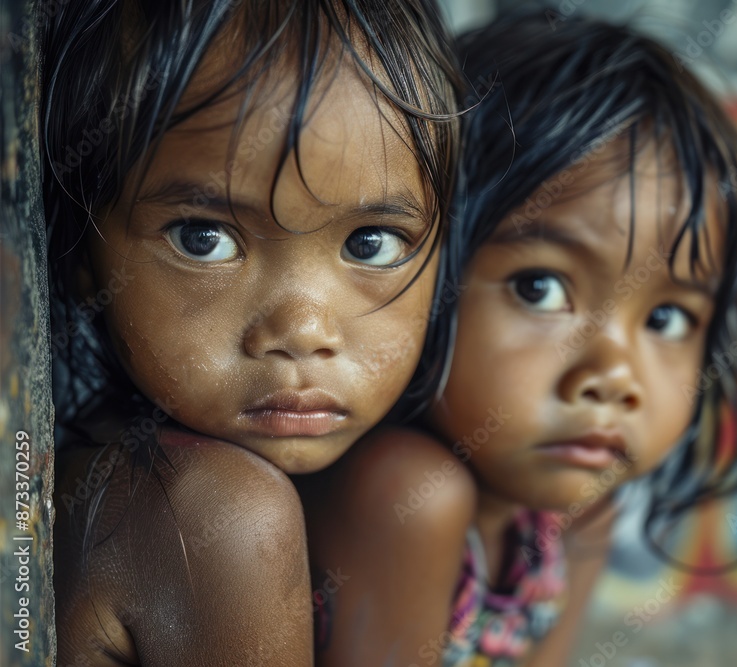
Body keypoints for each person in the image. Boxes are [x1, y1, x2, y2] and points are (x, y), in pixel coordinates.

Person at [300, 12, 737, 667]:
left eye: (667, 319)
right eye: (540, 288)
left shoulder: (576, 511)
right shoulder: (406, 493)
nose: (613, 375)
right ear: (427, 269)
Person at [42, 1, 460, 664]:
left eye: (371, 242)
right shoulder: (218, 514)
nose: (303, 330)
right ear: (82, 255)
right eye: (204, 238)